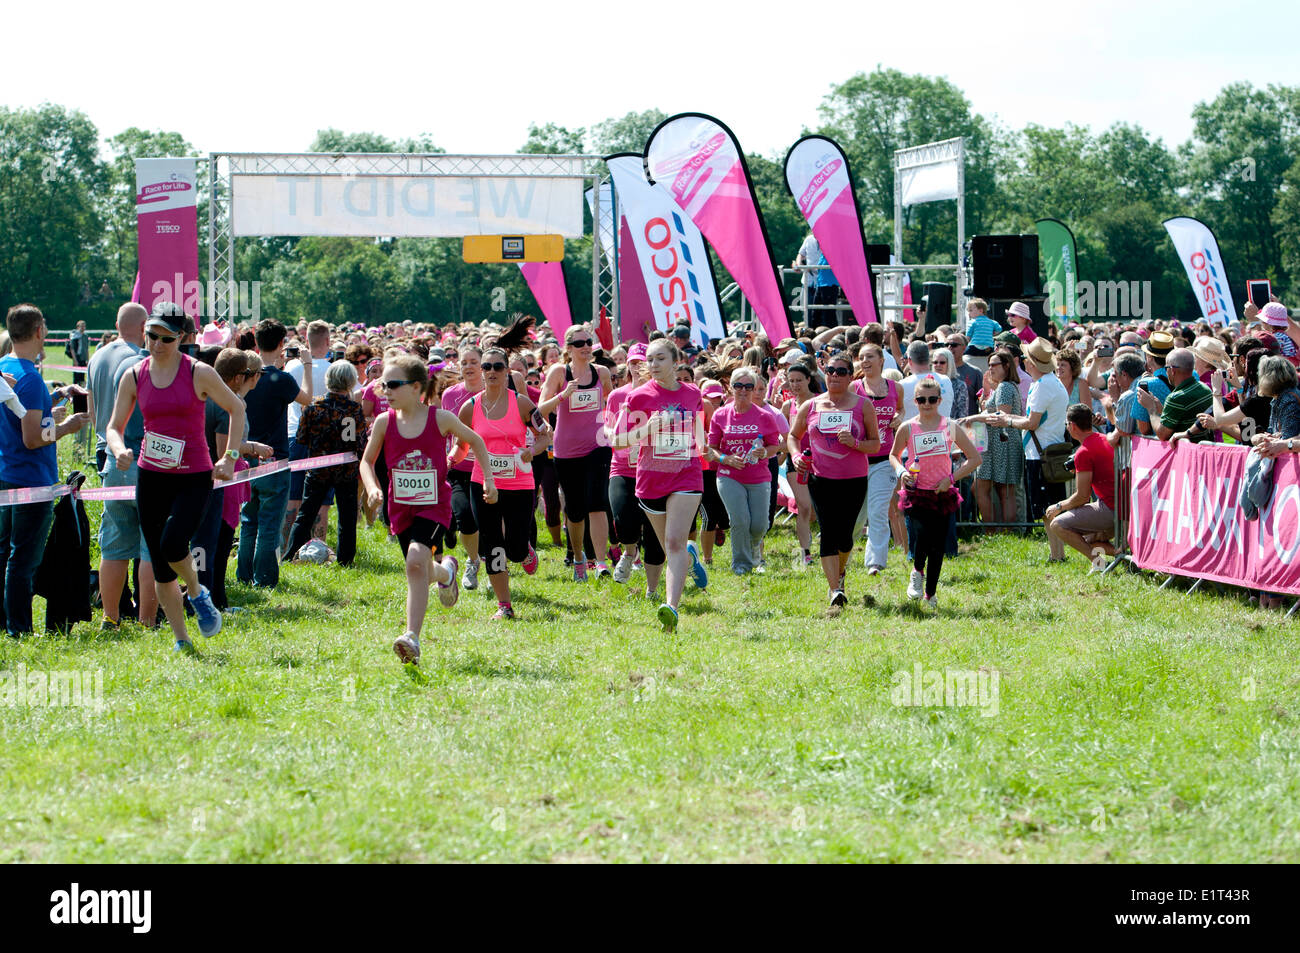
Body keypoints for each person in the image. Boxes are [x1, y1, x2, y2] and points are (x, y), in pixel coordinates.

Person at [105, 304, 244, 653]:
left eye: (166, 338)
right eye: (151, 335)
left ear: (181, 337)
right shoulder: (134, 375)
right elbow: (112, 426)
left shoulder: (198, 372)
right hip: (151, 475)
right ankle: (182, 639)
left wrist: (230, 457)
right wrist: (119, 448)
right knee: (160, 565)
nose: (156, 344)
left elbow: (237, 409)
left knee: (172, 545)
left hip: (194, 476)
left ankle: (197, 592)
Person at [359, 354, 496, 665]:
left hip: (434, 506)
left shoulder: (440, 418)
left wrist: (488, 480)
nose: (386, 391)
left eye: (393, 385)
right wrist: (372, 488)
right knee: (419, 567)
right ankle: (446, 572)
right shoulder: (384, 422)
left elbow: (476, 441)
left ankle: (411, 637)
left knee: (416, 560)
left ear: (416, 387)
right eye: (384, 385)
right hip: (399, 508)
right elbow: (367, 462)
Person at [0, 304, 90, 638]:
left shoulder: (4, 369)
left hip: (6, 473)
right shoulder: (30, 378)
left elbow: (19, 415)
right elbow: (34, 438)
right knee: (22, 561)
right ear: (39, 331)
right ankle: (19, 630)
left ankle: (5, 623)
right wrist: (67, 427)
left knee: (4, 552)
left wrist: (53, 398)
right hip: (31, 479)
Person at [617, 338, 708, 631]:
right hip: (652, 478)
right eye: (650, 360)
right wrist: (648, 428)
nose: (653, 365)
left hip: (686, 474)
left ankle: (671, 607)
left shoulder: (693, 393)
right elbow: (618, 440)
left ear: (675, 361)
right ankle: (690, 559)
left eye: (660, 359)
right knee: (671, 548)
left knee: (673, 542)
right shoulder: (638, 397)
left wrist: (702, 450)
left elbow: (698, 432)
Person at [456, 345, 550, 620]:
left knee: (516, 549)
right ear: (481, 372)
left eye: (498, 366)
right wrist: (452, 457)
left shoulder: (521, 403)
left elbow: (544, 436)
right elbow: (462, 446)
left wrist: (531, 451)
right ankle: (504, 605)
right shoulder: (469, 408)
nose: (492, 371)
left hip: (519, 483)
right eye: (487, 367)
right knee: (492, 542)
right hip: (482, 483)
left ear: (507, 371)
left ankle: (525, 551)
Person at [788, 352, 881, 609]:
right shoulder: (812, 405)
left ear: (851, 376)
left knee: (845, 537)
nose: (835, 376)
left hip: (854, 479)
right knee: (828, 532)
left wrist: (856, 443)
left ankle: (840, 573)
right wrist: (796, 455)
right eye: (830, 371)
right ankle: (835, 590)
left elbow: (876, 444)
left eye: (841, 372)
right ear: (824, 373)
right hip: (821, 478)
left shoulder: (863, 405)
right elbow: (793, 436)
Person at [86, 302, 158, 628]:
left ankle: (110, 617)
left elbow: (92, 411)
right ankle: (146, 619)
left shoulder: (97, 356)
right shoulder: (140, 363)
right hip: (140, 455)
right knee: (149, 545)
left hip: (109, 456)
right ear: (145, 328)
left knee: (113, 544)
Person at [890, 376, 982, 609]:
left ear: (940, 400)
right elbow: (893, 455)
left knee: (938, 546)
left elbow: (975, 458)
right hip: (916, 492)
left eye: (932, 399)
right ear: (915, 401)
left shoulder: (950, 426)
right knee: (920, 538)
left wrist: (951, 479)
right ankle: (917, 571)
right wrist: (902, 472)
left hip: (942, 493)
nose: (927, 403)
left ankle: (930, 594)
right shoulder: (908, 427)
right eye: (922, 399)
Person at [239, 319, 312, 589]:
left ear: (256, 341)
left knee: (248, 521)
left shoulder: (245, 374)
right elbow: (308, 400)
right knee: (269, 524)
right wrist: (306, 364)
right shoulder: (281, 379)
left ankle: (243, 575)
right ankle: (265, 579)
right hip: (275, 460)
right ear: (282, 344)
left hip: (246, 456)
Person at [538, 325, 614, 581]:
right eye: (579, 343)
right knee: (575, 509)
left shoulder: (601, 373)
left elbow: (611, 405)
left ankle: (601, 562)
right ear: (568, 348)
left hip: (598, 446)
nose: (585, 347)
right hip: (567, 450)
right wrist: (563, 395)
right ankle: (580, 556)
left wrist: (614, 428)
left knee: (597, 501)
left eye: (588, 342)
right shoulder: (559, 372)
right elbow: (540, 408)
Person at [284, 360, 368, 567]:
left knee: (305, 515)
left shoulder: (314, 407)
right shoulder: (354, 409)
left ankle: (290, 555)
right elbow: (361, 442)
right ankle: (346, 560)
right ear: (350, 382)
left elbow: (301, 438)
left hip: (318, 469)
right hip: (346, 470)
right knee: (347, 518)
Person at [707, 367, 783, 575]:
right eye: (738, 386)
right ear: (731, 388)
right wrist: (726, 458)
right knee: (740, 519)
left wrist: (762, 452)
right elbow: (712, 447)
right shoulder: (721, 415)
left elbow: (775, 446)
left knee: (759, 524)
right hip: (729, 475)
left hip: (758, 476)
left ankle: (754, 550)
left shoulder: (765, 416)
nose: (743, 390)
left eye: (749, 387)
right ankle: (741, 564)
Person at [990, 337, 1069, 521]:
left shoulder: (1044, 386)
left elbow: (1032, 423)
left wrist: (1007, 422)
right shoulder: (1049, 382)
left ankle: (1056, 550)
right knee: (1049, 512)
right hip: (1045, 451)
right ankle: (1055, 550)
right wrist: (1008, 417)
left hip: (1041, 455)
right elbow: (1032, 420)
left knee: (1048, 513)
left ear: (1030, 363)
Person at [605, 343, 659, 586]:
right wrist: (611, 434)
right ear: (627, 366)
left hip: (652, 469)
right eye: (633, 363)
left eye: (642, 362)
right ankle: (628, 552)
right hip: (622, 466)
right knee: (622, 517)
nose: (637, 368)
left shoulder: (659, 394)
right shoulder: (617, 395)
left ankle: (652, 579)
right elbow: (607, 425)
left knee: (650, 526)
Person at [1044, 404, 1117, 565]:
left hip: (1110, 509)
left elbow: (1082, 497)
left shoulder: (1083, 452)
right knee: (1086, 538)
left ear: (1072, 426)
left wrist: (1058, 506)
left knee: (1058, 524)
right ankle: (1120, 553)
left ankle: (1098, 562)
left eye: (1066, 424)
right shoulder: (1105, 438)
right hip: (1123, 507)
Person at [850, 343, 900, 574]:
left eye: (870, 356)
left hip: (884, 459)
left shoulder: (896, 388)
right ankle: (843, 556)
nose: (865, 361)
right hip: (857, 459)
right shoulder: (854, 387)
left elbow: (900, 410)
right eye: (861, 358)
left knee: (878, 511)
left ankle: (875, 563)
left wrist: (899, 418)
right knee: (856, 516)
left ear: (881, 359)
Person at [284, 321, 333, 545]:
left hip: (295, 435)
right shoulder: (334, 369)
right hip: (324, 439)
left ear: (307, 341)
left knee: (293, 496)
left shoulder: (293, 366)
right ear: (328, 341)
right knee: (322, 499)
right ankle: (319, 546)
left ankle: (286, 545)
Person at [441, 344, 486, 587]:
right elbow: (445, 430)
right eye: (464, 362)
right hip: (458, 468)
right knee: (464, 517)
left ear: (483, 365)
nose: (468, 366)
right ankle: (472, 561)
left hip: (489, 469)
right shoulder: (450, 395)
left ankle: (494, 566)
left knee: (488, 521)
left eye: (473, 362)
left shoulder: (493, 394)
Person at [973, 347, 1023, 528]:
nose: (991, 368)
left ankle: (998, 531)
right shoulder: (1004, 387)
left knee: (1003, 490)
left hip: (1003, 442)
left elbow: (1002, 417)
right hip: (1001, 442)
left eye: (995, 364)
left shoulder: (1004, 387)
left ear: (1007, 365)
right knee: (1001, 489)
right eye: (989, 365)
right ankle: (999, 531)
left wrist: (973, 418)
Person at [780, 360, 817, 565]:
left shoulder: (820, 401)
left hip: (820, 460)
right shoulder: (788, 405)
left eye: (799, 380)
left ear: (808, 380)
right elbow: (785, 435)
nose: (795, 385)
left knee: (813, 510)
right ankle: (805, 552)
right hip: (796, 461)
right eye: (791, 381)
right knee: (804, 506)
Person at [1143, 347, 1213, 442]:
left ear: (1172, 370)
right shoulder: (1205, 389)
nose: (1166, 372)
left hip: (1186, 454)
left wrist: (1151, 409)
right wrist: (1162, 410)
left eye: (1166, 368)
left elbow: (1162, 434)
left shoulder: (1175, 398)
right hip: (1203, 453)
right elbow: (1185, 418)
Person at [899, 341, 953, 421]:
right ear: (928, 358)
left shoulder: (902, 385)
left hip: (913, 432)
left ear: (909, 360)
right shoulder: (946, 380)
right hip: (944, 431)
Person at [65, 319, 89, 385]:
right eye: (81, 326)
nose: (83, 328)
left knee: (82, 377)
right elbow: (72, 348)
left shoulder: (85, 336)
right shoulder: (74, 336)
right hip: (77, 358)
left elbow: (87, 349)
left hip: (83, 358)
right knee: (76, 377)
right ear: (78, 327)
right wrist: (75, 360)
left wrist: (87, 360)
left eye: (84, 326)